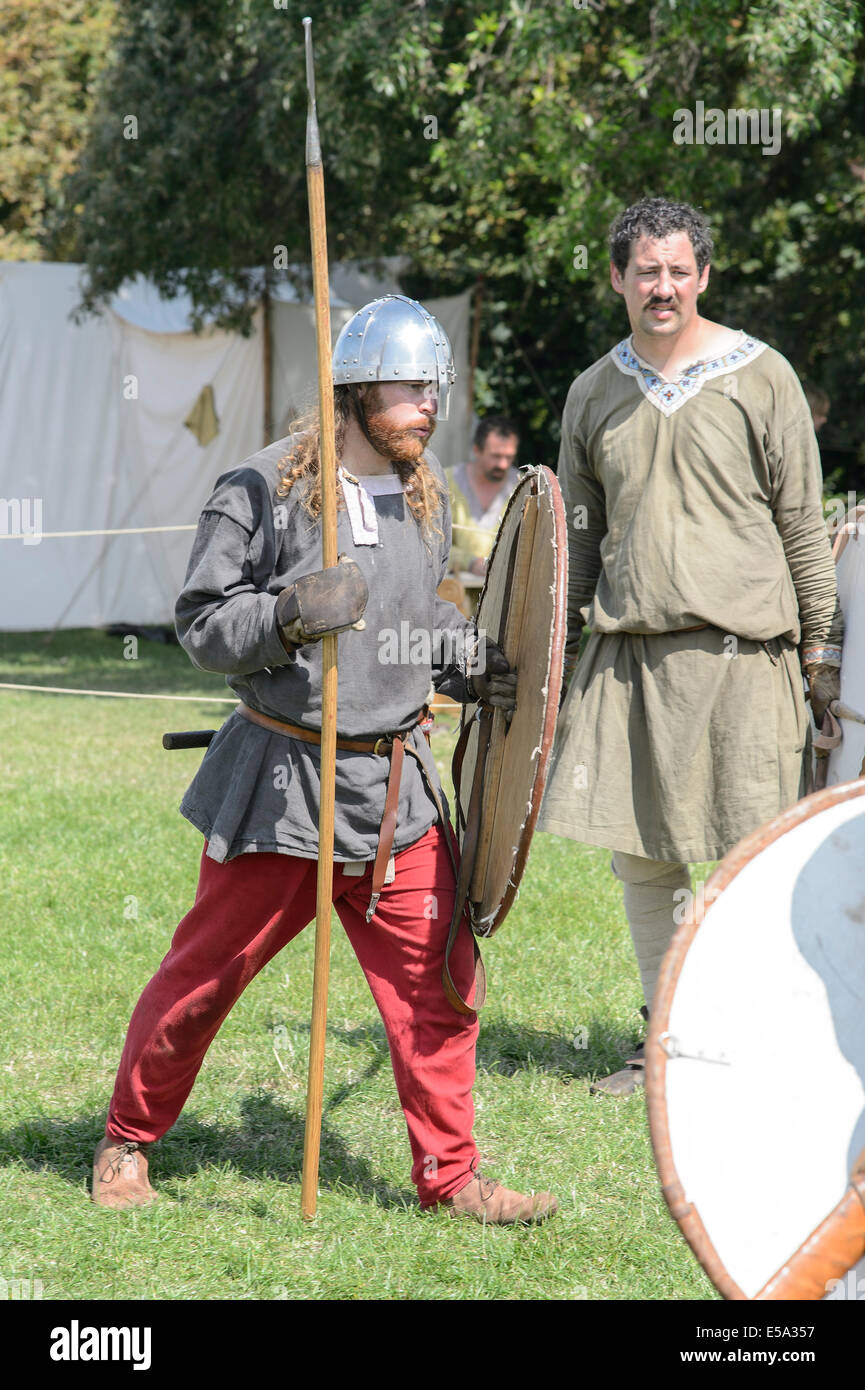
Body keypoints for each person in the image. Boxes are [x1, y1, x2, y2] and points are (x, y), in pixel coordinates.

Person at [91, 294, 557, 1224]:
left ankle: (451, 1180)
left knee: (437, 990)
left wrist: (464, 659)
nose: (428, 405)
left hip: (397, 797)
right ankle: (126, 1140)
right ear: (353, 390)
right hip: (285, 790)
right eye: (408, 387)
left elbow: (415, 620)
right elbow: (202, 624)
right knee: (204, 980)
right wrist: (289, 615)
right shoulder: (261, 488)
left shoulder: (422, 494)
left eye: (434, 387)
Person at [538, 198, 843, 1095]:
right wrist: (554, 662)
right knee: (642, 858)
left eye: (677, 271)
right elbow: (577, 544)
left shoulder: (763, 376)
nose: (662, 287)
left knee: (756, 857)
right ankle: (668, 1037)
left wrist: (821, 658)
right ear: (616, 279)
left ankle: (760, 1041)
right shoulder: (592, 392)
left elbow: (801, 526)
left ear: (702, 276)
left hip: (747, 658)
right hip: (629, 657)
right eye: (645, 271)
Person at [446, 417, 520, 580]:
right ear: (476, 450)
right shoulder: (446, 482)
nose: (503, 464)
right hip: (455, 591)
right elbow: (431, 543)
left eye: (509, 457)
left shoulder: (523, 488)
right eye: (495, 456)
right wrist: (470, 562)